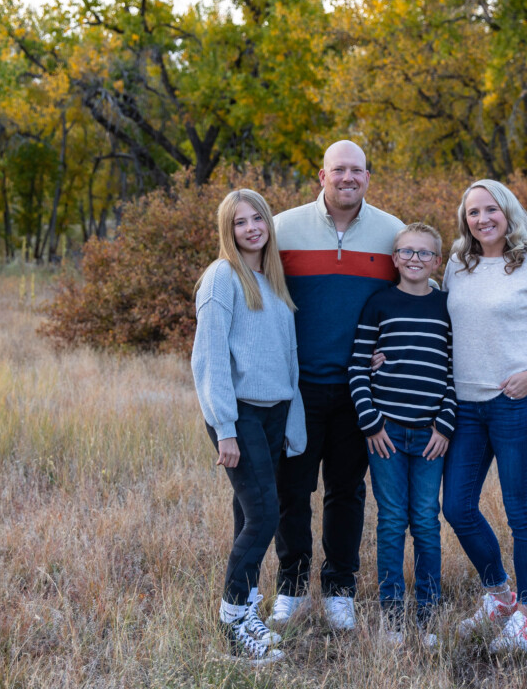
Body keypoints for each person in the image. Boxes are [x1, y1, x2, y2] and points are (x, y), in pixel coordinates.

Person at [441, 179, 527, 653]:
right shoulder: (456, 267)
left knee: (521, 512)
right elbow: (441, 328)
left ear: (508, 213)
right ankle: (498, 593)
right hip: (465, 407)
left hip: (517, 405)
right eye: (473, 212)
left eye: (490, 210)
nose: (482, 219)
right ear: (465, 220)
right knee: (457, 506)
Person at [270, 140, 404, 631]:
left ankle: (340, 589)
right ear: (320, 176)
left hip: (360, 391)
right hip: (297, 389)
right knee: (293, 490)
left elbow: (409, 299)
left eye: (357, 170)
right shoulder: (283, 228)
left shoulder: (392, 232)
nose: (348, 177)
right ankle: (291, 587)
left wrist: (395, 348)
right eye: (338, 170)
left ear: (369, 176)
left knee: (347, 490)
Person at [191, 189, 306, 665]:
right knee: (264, 516)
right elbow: (210, 359)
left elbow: (288, 359)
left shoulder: (272, 279)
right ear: (228, 231)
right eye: (240, 222)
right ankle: (232, 619)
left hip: (275, 413)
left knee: (248, 515)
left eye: (258, 218)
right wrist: (226, 429)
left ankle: (246, 611)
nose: (252, 227)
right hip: (240, 413)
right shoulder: (222, 277)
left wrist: (293, 420)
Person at [348, 223, 456, 645]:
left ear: (437, 261)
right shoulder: (379, 304)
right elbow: (357, 367)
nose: (414, 259)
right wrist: (370, 421)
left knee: (426, 522)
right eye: (406, 252)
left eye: (424, 253)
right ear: (394, 258)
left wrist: (445, 426)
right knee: (392, 521)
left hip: (431, 435)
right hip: (386, 433)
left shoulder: (447, 308)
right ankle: (392, 615)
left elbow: (454, 374)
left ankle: (427, 614)